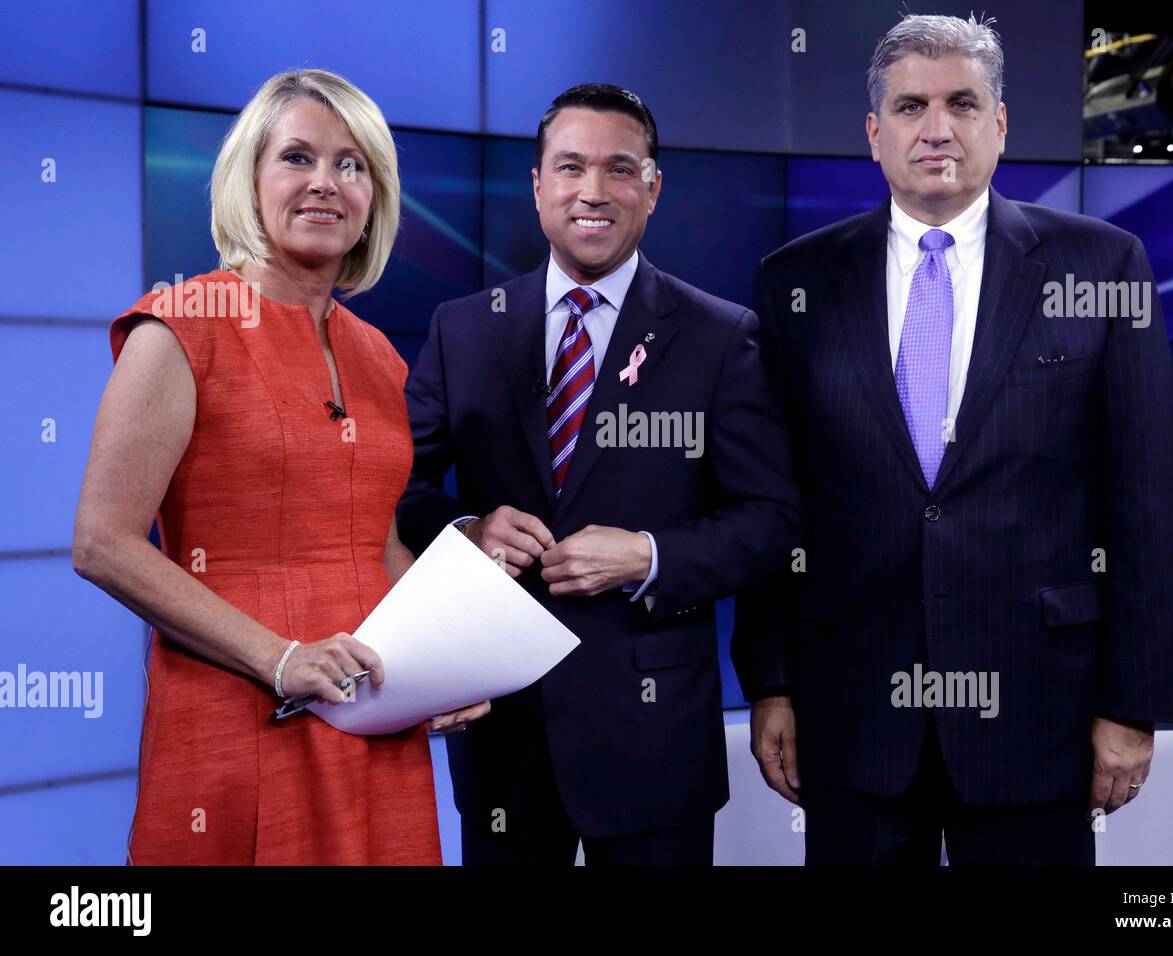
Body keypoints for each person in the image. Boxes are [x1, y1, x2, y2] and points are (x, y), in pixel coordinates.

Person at [733, 14, 1173, 865]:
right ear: (875, 134)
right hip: (852, 713)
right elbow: (775, 504)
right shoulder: (794, 280)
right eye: (910, 106)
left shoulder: (1105, 267)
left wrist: (1133, 706)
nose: (936, 128)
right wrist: (772, 682)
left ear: (1000, 124)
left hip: (1038, 719)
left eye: (962, 104)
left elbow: (1145, 504)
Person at [72, 68, 486, 866]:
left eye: (352, 164)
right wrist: (282, 659)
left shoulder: (379, 357)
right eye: (297, 158)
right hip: (239, 716)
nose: (326, 184)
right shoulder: (181, 326)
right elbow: (102, 541)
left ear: (376, 195)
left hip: (373, 718)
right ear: (249, 181)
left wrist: (438, 667)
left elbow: (377, 541)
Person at [398, 83, 800, 865]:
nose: (593, 191)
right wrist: (463, 530)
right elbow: (389, 491)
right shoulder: (465, 329)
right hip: (502, 727)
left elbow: (773, 523)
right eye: (571, 167)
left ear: (652, 190)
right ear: (539, 185)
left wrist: (650, 556)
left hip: (654, 741)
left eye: (620, 170)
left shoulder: (722, 337)